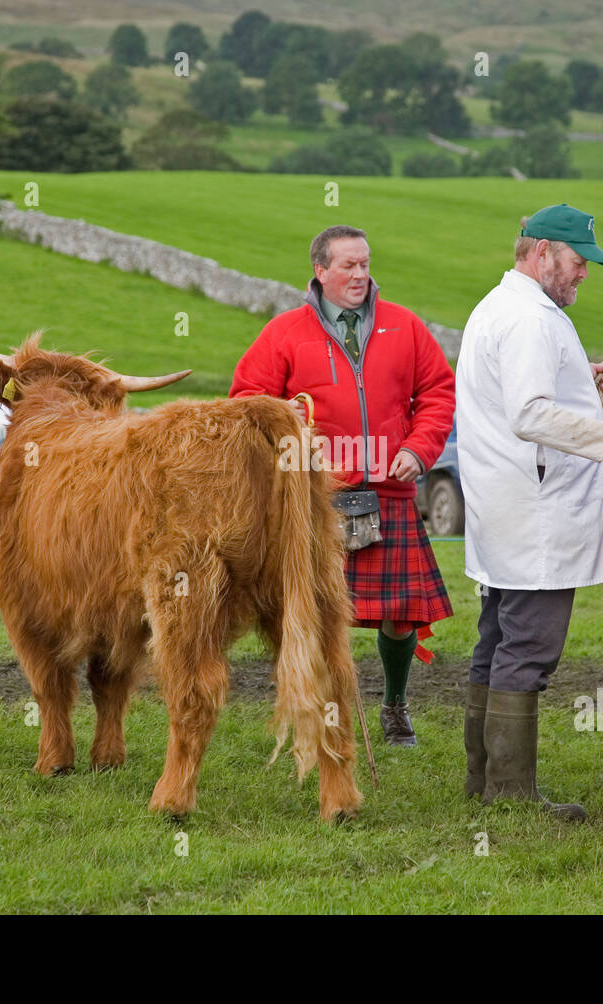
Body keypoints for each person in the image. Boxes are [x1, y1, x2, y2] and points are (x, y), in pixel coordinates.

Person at [456, 204, 603, 821]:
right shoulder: (528, 319)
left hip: (506, 505)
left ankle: (483, 781)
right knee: (529, 648)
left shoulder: (504, 306)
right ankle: (512, 796)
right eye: (577, 262)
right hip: (535, 509)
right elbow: (528, 413)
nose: (584, 275)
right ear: (542, 252)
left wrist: (582, 383)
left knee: (495, 639)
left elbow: (531, 396)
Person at [230, 225, 456, 747]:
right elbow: (244, 397)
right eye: (348, 266)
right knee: (310, 607)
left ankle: (395, 704)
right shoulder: (284, 332)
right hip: (315, 494)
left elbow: (439, 394)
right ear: (321, 271)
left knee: (400, 613)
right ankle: (319, 705)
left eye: (365, 264)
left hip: (390, 490)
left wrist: (416, 450)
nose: (360, 275)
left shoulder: (405, 327)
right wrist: (275, 412)